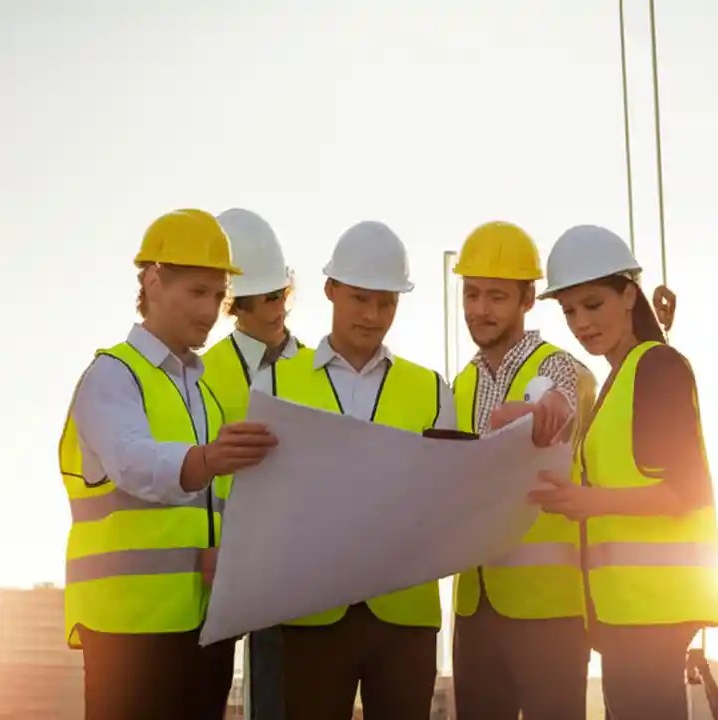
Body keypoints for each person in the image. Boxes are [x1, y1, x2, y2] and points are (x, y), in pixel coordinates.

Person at [58, 208, 279, 719]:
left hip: (202, 627)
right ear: (153, 281)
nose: (210, 310)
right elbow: (134, 463)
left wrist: (231, 551)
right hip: (126, 632)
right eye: (197, 291)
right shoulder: (112, 376)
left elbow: (214, 503)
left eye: (218, 295)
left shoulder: (200, 391)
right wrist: (207, 458)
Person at [526, 224, 718, 720]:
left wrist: (589, 501)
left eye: (592, 305)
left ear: (629, 294)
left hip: (654, 616)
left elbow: (688, 490)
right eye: (569, 311)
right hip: (626, 616)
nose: (580, 323)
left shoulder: (658, 368)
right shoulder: (618, 380)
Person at [268, 220, 456, 720]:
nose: (373, 316)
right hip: (311, 608)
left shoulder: (431, 389)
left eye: (387, 302)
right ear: (329, 290)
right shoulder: (274, 383)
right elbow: (262, 497)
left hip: (406, 614)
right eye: (359, 299)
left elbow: (446, 499)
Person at [447, 220, 595, 720]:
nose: (479, 310)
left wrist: (539, 409)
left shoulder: (556, 367)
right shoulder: (459, 384)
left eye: (495, 296)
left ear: (528, 299)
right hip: (474, 607)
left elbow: (559, 403)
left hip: (547, 609)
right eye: (471, 294)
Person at [202, 207, 300, 720]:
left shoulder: (315, 365)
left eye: (279, 295)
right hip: (219, 569)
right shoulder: (202, 372)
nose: (275, 309)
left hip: (301, 567)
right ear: (233, 304)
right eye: (261, 300)